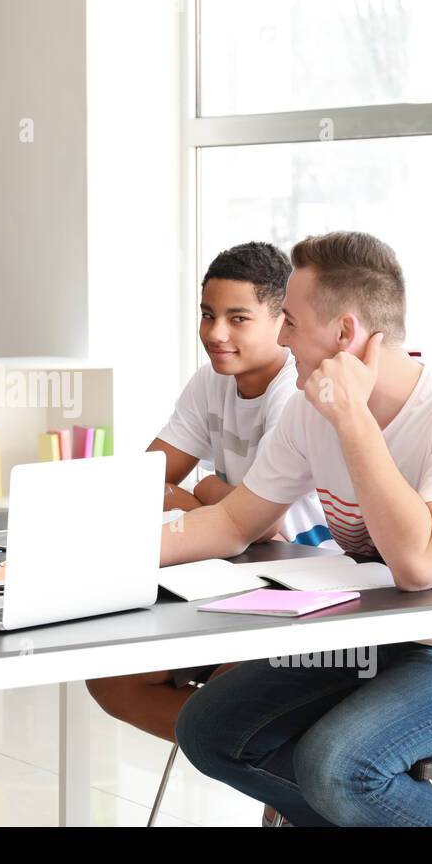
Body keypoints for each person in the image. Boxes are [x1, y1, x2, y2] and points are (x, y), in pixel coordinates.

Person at [170, 231, 432, 827]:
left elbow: (420, 563)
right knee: (211, 729)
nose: (280, 339)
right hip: (391, 638)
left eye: (292, 324)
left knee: (339, 763)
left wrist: (353, 419)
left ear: (346, 336)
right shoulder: (309, 411)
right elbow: (230, 522)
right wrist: (94, 559)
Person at [86, 242, 329, 744]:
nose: (216, 334)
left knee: (228, 696)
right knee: (110, 677)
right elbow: (141, 482)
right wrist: (214, 496)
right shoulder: (211, 381)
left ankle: (256, 756)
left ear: (283, 322)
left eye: (238, 318)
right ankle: (256, 753)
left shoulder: (294, 390)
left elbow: (264, 526)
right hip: (231, 577)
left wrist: (199, 490)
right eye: (207, 315)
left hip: (300, 588)